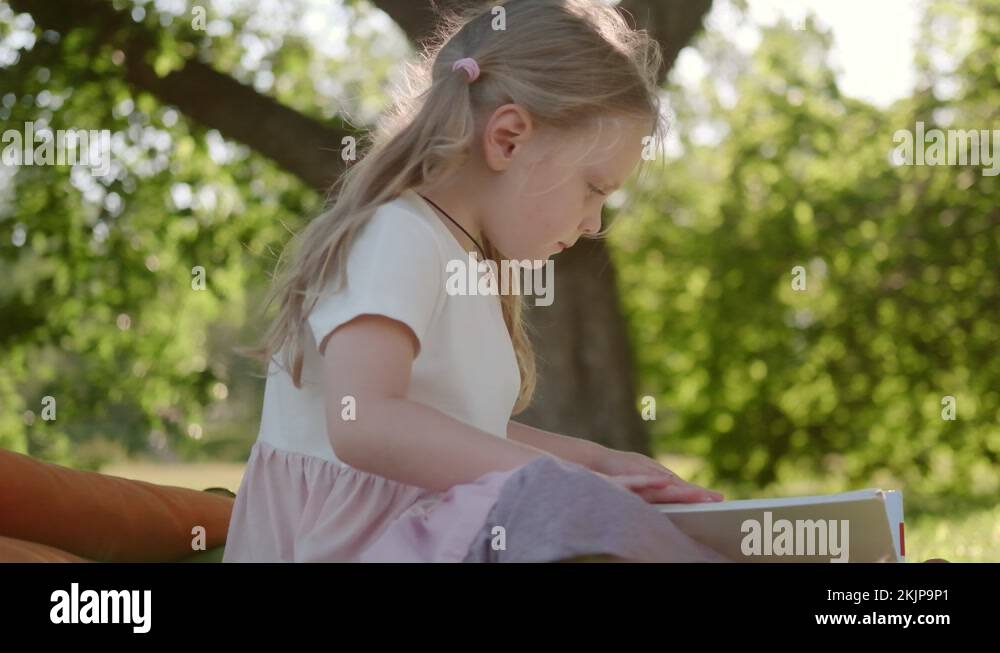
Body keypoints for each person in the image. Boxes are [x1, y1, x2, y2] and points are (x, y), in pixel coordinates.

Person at [224, 0, 729, 563]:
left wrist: (600, 462)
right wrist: (571, 484)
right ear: (509, 138)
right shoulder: (397, 234)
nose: (593, 225)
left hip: (411, 532)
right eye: (594, 188)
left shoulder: (466, 262)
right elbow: (364, 422)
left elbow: (467, 433)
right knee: (583, 516)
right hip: (352, 547)